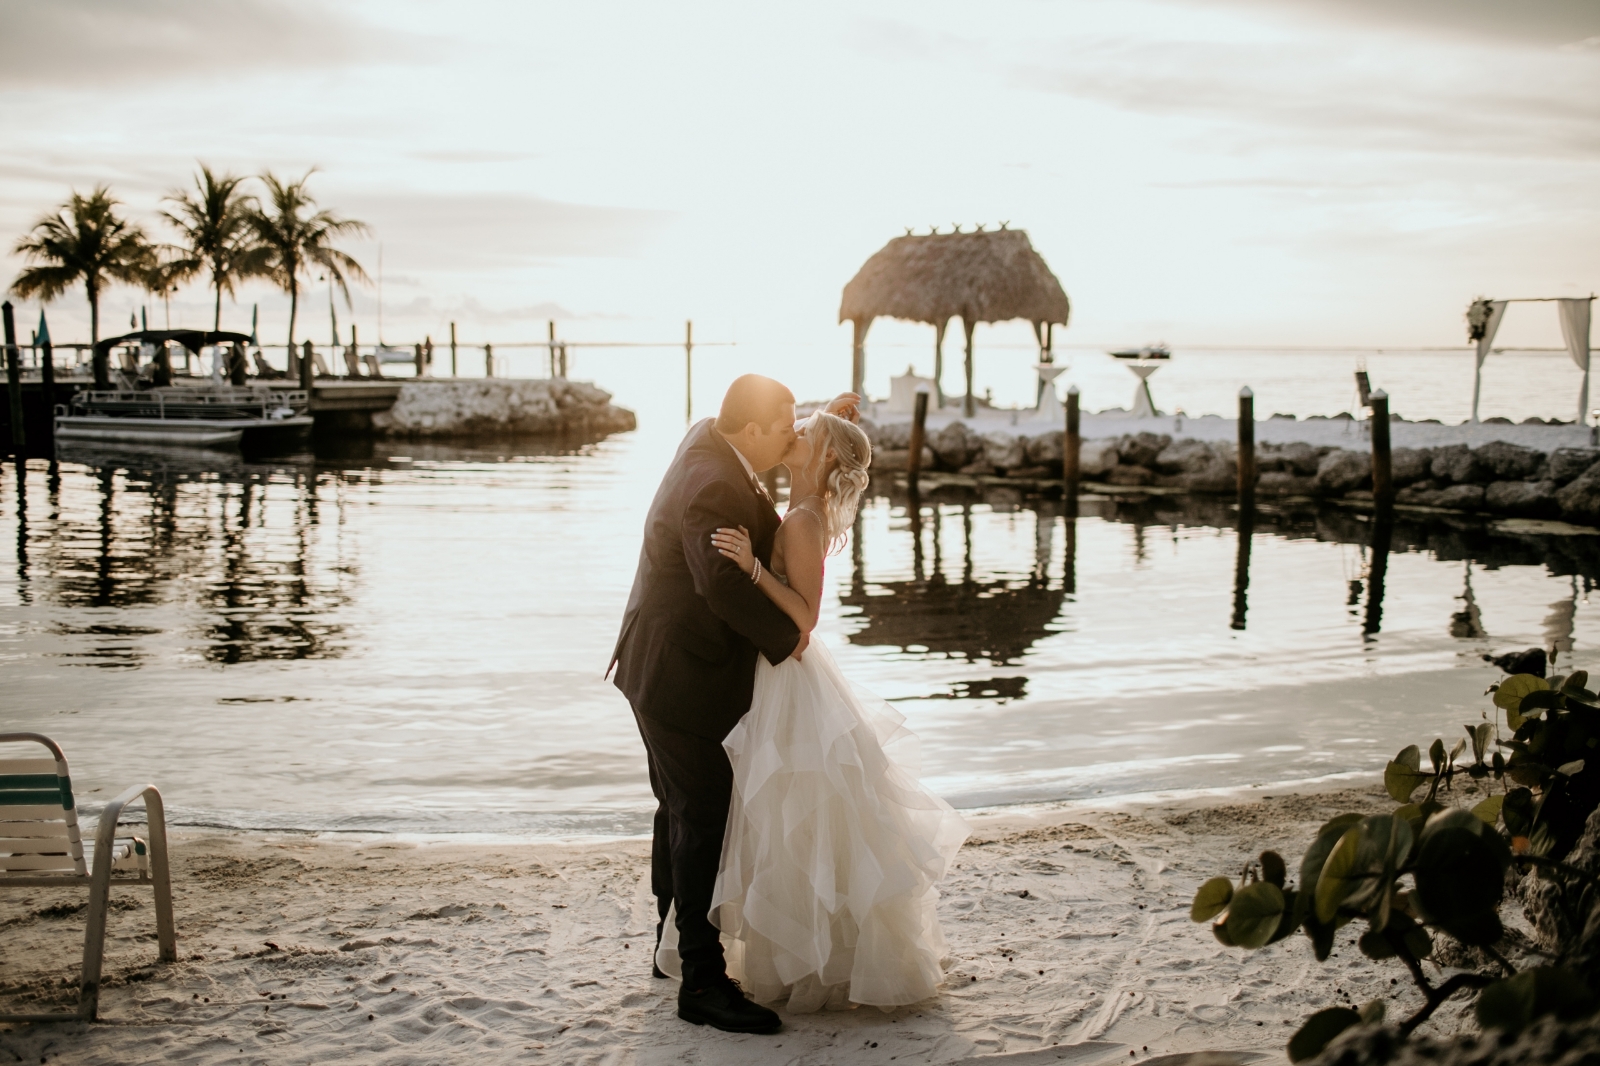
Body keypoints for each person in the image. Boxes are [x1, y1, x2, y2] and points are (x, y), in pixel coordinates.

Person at [692, 412, 969, 1012]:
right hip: (782, 673)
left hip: (791, 676)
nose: (790, 434)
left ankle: (813, 958)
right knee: (790, 816)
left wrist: (752, 568)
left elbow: (806, 616)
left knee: (795, 813)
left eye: (806, 433)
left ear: (820, 457)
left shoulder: (803, 518)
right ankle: (799, 953)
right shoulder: (796, 506)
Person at [609, 375, 859, 1035]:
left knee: (679, 811)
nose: (794, 430)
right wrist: (793, 639)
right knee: (703, 816)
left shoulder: (713, 438)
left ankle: (672, 946)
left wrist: (823, 424)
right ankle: (701, 980)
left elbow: (779, 440)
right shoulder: (714, 484)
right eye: (786, 424)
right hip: (678, 676)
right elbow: (718, 582)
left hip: (658, 666)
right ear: (749, 431)